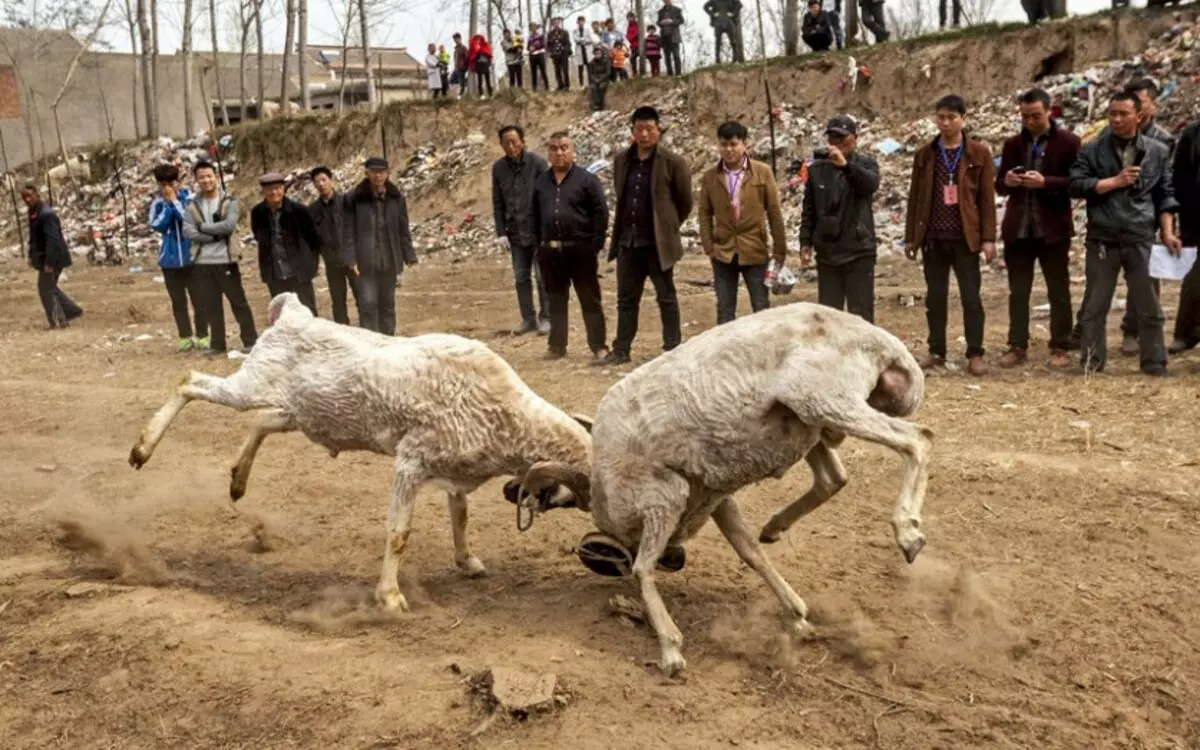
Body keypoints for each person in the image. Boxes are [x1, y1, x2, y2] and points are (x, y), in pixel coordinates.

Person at [1068, 91, 1178, 377]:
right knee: (1095, 304)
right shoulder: (1092, 150)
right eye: (1112, 113)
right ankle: (1092, 361)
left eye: (1123, 114)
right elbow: (1076, 185)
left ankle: (1154, 361)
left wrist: (1167, 232)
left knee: (1149, 305)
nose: (1116, 119)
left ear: (1138, 116)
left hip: (1141, 235)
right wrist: (1112, 182)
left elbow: (1165, 194)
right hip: (1103, 237)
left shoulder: (1157, 151)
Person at [903, 94, 998, 376]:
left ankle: (975, 352)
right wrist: (911, 236)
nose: (945, 123)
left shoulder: (978, 153)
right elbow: (915, 197)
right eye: (940, 117)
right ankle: (937, 351)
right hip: (933, 236)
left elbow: (986, 199)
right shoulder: (925, 154)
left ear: (963, 119)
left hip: (965, 237)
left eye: (951, 118)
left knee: (971, 297)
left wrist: (988, 238)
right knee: (935, 298)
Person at [598, 106, 693, 366]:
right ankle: (621, 349)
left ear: (658, 131)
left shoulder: (673, 163)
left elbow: (685, 202)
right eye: (639, 129)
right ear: (632, 132)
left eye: (649, 129)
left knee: (666, 296)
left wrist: (667, 227)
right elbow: (621, 196)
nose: (644, 134)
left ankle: (673, 348)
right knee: (626, 299)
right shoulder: (621, 160)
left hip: (657, 244)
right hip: (628, 242)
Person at [994, 88, 1080, 370]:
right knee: (1018, 291)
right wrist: (1008, 180)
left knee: (1058, 289)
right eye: (1024, 116)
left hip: (1052, 228)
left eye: (1035, 116)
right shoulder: (1012, 144)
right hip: (1019, 229)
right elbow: (999, 185)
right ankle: (1017, 345)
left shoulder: (1068, 143)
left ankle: (1060, 344)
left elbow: (1077, 183)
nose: (1029, 121)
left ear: (1049, 112)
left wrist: (1046, 182)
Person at [697, 120, 788, 324]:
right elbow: (704, 213)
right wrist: (708, 246)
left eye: (733, 144)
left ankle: (763, 353)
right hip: (723, 252)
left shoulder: (762, 172)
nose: (728, 150)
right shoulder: (710, 177)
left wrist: (780, 250)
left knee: (761, 308)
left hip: (755, 249)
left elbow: (774, 212)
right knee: (725, 311)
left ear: (745, 144)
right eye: (724, 145)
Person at [531, 131, 610, 360]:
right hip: (551, 252)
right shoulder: (541, 183)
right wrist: (539, 246)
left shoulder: (587, 180)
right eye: (554, 148)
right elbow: (533, 216)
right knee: (555, 300)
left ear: (573, 151)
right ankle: (557, 346)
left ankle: (598, 346)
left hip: (580, 251)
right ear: (549, 153)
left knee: (590, 300)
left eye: (564, 147)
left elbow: (600, 214)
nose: (559, 153)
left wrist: (594, 245)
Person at [800, 115, 881, 323]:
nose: (837, 143)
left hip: (859, 250)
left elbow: (869, 186)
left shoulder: (866, 165)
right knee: (829, 317)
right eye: (833, 138)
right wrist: (805, 241)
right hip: (828, 252)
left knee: (860, 314)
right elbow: (809, 208)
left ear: (854, 138)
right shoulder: (817, 169)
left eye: (842, 138)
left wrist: (846, 166)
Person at [184, 160, 258, 356]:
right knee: (211, 305)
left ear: (216, 177)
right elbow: (188, 231)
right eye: (201, 177)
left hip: (225, 260)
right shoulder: (192, 205)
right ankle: (217, 345)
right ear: (196, 180)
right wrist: (213, 236)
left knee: (238, 302)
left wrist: (204, 228)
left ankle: (251, 341)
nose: (206, 180)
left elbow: (229, 226)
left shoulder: (229, 201)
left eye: (209, 176)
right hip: (203, 262)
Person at [344, 156, 418, 336]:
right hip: (365, 262)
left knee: (388, 304)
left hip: (389, 260)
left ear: (387, 174)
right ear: (366, 173)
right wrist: (351, 258)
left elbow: (403, 227)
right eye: (373, 172)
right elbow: (348, 231)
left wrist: (409, 255)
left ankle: (388, 340)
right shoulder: (354, 198)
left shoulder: (396, 197)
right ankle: (371, 344)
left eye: (381, 172)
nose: (378, 176)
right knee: (368, 305)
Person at [492, 125, 551, 335]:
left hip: (538, 232)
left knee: (542, 276)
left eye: (514, 142)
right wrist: (500, 232)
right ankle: (528, 319)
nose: (511, 146)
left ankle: (547, 318)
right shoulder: (498, 169)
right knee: (520, 277)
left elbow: (548, 197)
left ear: (523, 142)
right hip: (515, 232)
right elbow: (497, 202)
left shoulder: (538, 164)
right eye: (506, 143)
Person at [149, 163, 205, 350]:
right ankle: (185, 337)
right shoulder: (157, 203)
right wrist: (167, 206)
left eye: (171, 183)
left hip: (192, 259)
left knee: (199, 299)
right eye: (162, 184)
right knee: (178, 302)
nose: (167, 188)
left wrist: (174, 202)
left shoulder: (190, 198)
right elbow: (158, 226)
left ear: (178, 182)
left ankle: (203, 335)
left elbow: (190, 222)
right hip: (170, 262)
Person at [250, 173, 322, 316]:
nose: (274, 192)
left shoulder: (299, 210)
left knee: (307, 311)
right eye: (269, 189)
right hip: (274, 272)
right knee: (282, 314)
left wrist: (311, 266)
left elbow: (313, 239)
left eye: (278, 188)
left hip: (299, 272)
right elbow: (258, 236)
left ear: (284, 189)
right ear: (264, 192)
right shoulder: (258, 212)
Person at [22, 183, 83, 330]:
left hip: (54, 258)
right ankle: (72, 311)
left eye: (29, 196)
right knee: (49, 287)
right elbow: (34, 237)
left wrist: (49, 262)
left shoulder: (46, 214)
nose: (27, 200)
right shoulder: (34, 212)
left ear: (36, 194)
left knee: (45, 289)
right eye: (24, 197)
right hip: (46, 258)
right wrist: (31, 255)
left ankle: (59, 320)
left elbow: (53, 240)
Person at [308, 165, 358, 325]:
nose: (321, 184)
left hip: (353, 260)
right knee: (338, 301)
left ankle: (367, 330)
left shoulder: (346, 202)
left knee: (362, 296)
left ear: (331, 181)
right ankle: (343, 332)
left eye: (324, 180)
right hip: (332, 263)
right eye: (317, 182)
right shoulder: (313, 210)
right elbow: (313, 240)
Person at [1169, 117, 1200, 354]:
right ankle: (1186, 332)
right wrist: (1185, 224)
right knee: (1196, 279)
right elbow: (1181, 180)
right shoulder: (1192, 133)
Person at [657, 0, 684, 76]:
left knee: (676, 56)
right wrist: (661, 23)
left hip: (674, 36)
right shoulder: (660, 12)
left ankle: (678, 73)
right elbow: (658, 22)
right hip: (664, 37)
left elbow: (681, 21)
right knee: (667, 57)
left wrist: (672, 21)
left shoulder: (677, 10)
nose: (666, 1)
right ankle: (670, 74)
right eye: (664, 0)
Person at [547, 17, 572, 91]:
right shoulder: (550, 33)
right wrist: (551, 52)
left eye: (557, 23)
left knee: (565, 70)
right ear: (552, 24)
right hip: (555, 54)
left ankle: (566, 86)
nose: (556, 24)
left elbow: (568, 42)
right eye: (554, 23)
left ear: (559, 24)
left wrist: (566, 50)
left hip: (563, 54)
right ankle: (560, 85)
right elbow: (548, 44)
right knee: (557, 70)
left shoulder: (564, 32)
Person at [468, 34, 494, 98]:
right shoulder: (473, 46)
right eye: (477, 40)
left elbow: (489, 54)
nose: (478, 41)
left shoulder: (485, 45)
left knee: (488, 80)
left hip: (485, 65)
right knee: (480, 80)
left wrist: (489, 62)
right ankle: (481, 94)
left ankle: (490, 94)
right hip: (479, 65)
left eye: (480, 39)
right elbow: (471, 56)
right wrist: (477, 54)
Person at [587, 46, 612, 111]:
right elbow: (590, 74)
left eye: (599, 53)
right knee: (593, 87)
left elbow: (608, 72)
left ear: (602, 53)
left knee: (602, 87)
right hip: (595, 79)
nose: (597, 55)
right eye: (596, 54)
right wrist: (595, 80)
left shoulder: (606, 61)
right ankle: (596, 105)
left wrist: (600, 79)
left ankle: (601, 105)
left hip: (604, 79)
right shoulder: (591, 63)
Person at [573, 16, 594, 88]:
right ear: (577, 22)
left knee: (589, 69)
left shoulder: (588, 30)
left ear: (584, 22)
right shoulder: (575, 31)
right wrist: (584, 40)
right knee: (580, 69)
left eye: (582, 21)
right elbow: (575, 39)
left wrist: (582, 40)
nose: (581, 22)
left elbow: (591, 39)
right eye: (579, 21)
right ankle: (581, 85)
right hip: (579, 50)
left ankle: (591, 84)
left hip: (587, 50)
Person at [528, 23, 549, 90]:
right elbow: (527, 47)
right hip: (533, 56)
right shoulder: (530, 37)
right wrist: (530, 48)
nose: (533, 29)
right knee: (533, 72)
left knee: (543, 71)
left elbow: (543, 44)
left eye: (534, 27)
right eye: (531, 27)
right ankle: (534, 87)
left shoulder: (540, 35)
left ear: (536, 28)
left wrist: (535, 47)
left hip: (540, 54)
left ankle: (547, 87)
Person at [452, 33, 470, 98]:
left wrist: (464, 63)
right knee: (451, 80)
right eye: (454, 40)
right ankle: (460, 92)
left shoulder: (464, 47)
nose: (455, 41)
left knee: (461, 82)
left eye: (456, 39)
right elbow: (455, 59)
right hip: (457, 67)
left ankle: (461, 95)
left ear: (460, 39)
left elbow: (467, 57)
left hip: (462, 67)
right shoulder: (456, 49)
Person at [625, 12, 640, 77]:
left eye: (630, 17)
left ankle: (637, 72)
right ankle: (635, 74)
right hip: (632, 46)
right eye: (628, 18)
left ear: (633, 17)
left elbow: (637, 33)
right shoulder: (629, 26)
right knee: (632, 59)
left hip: (639, 45)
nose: (629, 19)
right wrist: (630, 37)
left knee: (632, 58)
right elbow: (627, 35)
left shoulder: (637, 24)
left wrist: (631, 37)